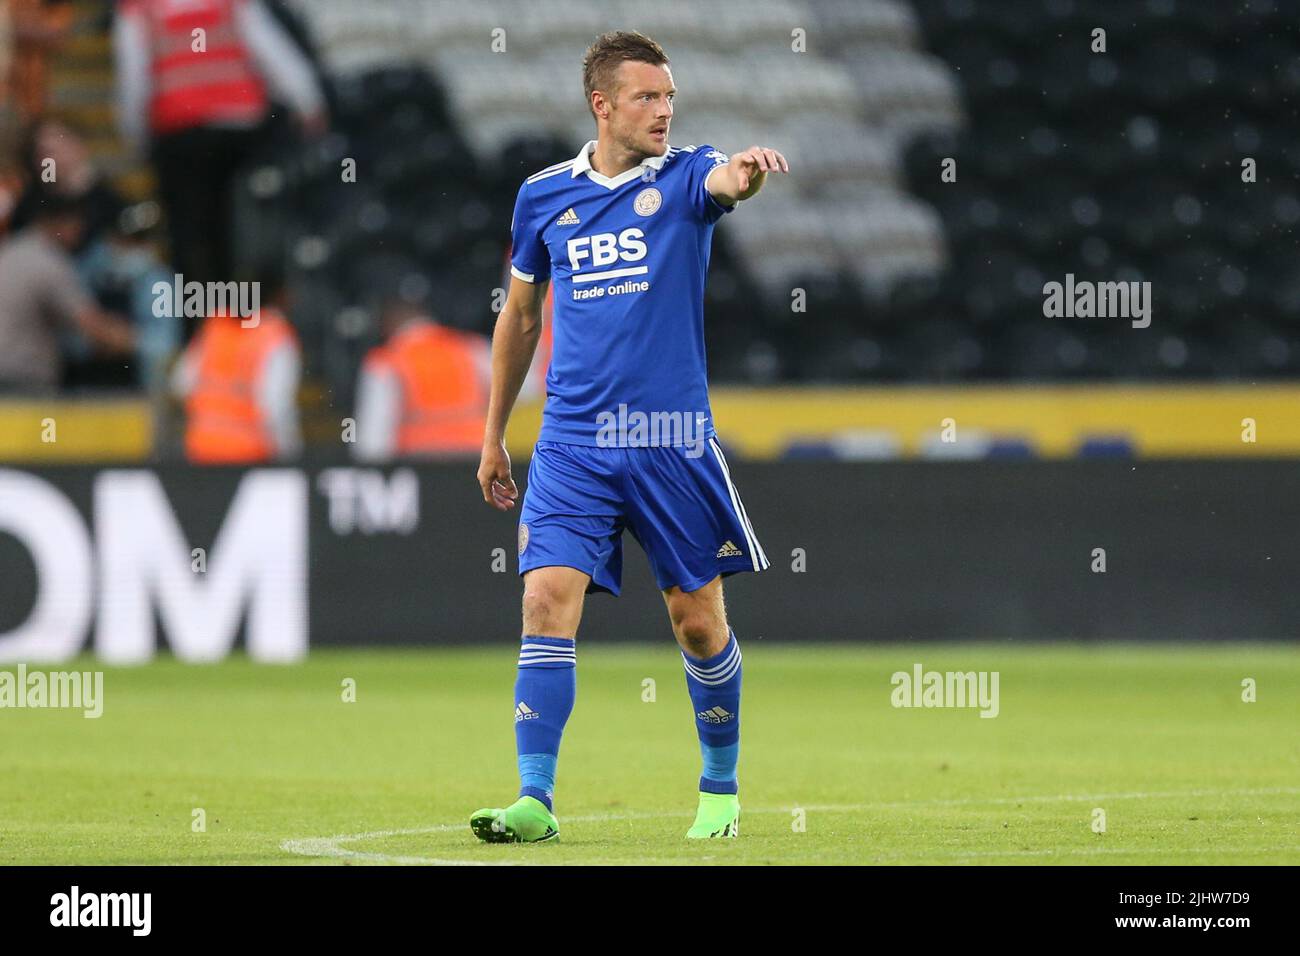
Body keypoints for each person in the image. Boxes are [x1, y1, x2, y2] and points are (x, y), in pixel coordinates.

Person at [471, 31, 788, 843]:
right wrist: (493, 434)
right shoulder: (543, 196)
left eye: (671, 96)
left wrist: (743, 176)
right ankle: (535, 799)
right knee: (543, 600)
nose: (665, 111)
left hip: (669, 439)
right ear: (602, 105)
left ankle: (720, 784)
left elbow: (725, 182)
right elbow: (520, 318)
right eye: (648, 97)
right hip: (574, 442)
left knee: (696, 622)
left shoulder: (686, 177)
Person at [113, 0, 326, 293]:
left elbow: (133, 73)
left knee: (190, 237)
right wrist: (308, 102)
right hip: (238, 128)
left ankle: (205, 324)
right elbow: (268, 46)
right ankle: (247, 317)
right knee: (240, 229)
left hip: (180, 133)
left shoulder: (140, 7)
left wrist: (135, 138)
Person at [0, 191, 134, 391]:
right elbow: (93, 326)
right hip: (19, 383)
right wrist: (142, 342)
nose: (80, 231)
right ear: (60, 223)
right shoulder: (48, 261)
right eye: (76, 224)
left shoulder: (12, 249)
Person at [171, 268, 301, 464]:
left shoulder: (216, 326)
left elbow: (180, 383)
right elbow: (275, 407)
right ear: (280, 295)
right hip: (251, 455)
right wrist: (290, 456)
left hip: (201, 450)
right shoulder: (276, 336)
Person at [352, 297, 492, 462]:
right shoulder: (472, 349)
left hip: (421, 469)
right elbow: (522, 390)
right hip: (475, 463)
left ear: (387, 320)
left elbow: (373, 441)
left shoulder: (386, 362)